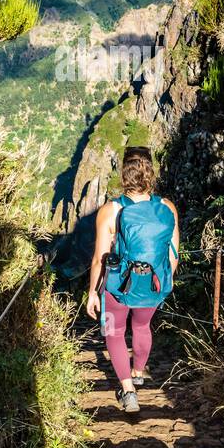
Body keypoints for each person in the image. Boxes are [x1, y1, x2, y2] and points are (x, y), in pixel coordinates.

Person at [86, 146, 180, 414]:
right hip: (152, 285)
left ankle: (128, 391)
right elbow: (173, 254)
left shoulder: (111, 210)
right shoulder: (167, 207)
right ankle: (138, 371)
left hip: (116, 286)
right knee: (142, 327)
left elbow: (99, 259)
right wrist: (162, 281)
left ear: (123, 174)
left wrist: (93, 292)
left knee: (114, 333)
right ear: (151, 174)